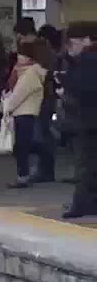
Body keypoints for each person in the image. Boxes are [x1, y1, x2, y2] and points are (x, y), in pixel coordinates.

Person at [60, 22, 97, 219]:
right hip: (91, 120)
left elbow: (83, 86)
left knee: (85, 164)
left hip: (90, 120)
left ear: (86, 41)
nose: (70, 48)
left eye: (73, 44)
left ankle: (81, 204)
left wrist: (64, 82)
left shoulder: (88, 60)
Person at [1, 42, 49, 189]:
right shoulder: (24, 72)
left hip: (25, 113)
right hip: (23, 113)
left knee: (21, 147)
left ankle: (23, 177)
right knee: (25, 145)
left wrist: (6, 106)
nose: (18, 57)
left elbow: (18, 95)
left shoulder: (30, 74)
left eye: (21, 54)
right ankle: (28, 172)